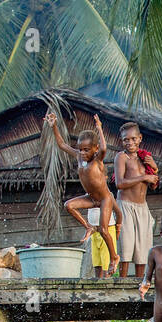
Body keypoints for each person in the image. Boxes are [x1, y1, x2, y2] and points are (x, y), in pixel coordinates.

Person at [44, 112, 120, 278]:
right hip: (91, 198)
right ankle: (87, 227)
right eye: (81, 149)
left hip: (104, 198)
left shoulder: (97, 160)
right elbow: (62, 144)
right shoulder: (79, 157)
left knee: (104, 230)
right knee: (68, 205)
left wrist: (99, 128)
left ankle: (114, 257)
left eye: (87, 150)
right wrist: (54, 126)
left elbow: (105, 148)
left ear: (95, 149)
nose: (83, 153)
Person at [113, 121, 159, 279]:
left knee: (142, 249)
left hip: (142, 207)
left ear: (140, 138)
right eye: (126, 139)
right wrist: (144, 176)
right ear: (122, 141)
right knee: (125, 247)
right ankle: (122, 282)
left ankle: (140, 284)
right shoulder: (121, 157)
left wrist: (154, 168)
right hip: (125, 206)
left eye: (133, 139)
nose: (130, 142)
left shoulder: (145, 157)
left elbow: (153, 183)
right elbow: (119, 184)